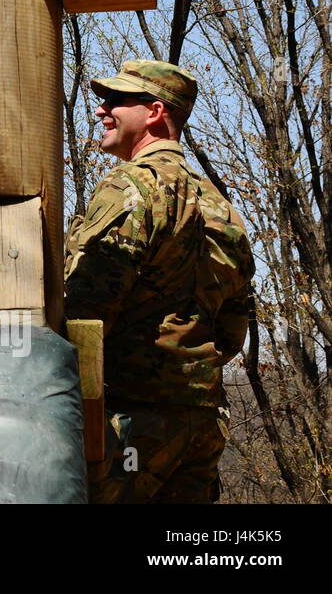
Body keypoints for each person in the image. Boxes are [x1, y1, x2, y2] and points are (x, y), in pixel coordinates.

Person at [64, 59, 254, 504]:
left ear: (153, 112)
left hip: (129, 418)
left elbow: (86, 309)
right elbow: (232, 327)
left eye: (114, 100)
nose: (101, 110)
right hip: (201, 422)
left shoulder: (132, 185)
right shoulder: (221, 206)